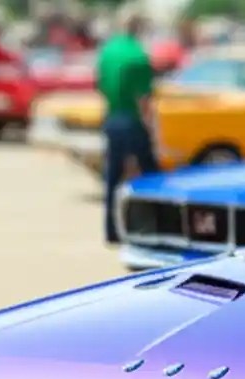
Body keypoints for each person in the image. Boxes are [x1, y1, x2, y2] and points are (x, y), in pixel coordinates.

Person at [97, 9, 160, 245]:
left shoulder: (108, 51)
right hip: (133, 121)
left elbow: (101, 86)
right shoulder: (138, 56)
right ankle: (155, 227)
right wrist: (151, 128)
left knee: (113, 177)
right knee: (151, 175)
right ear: (139, 28)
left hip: (113, 118)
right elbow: (143, 98)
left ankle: (111, 231)